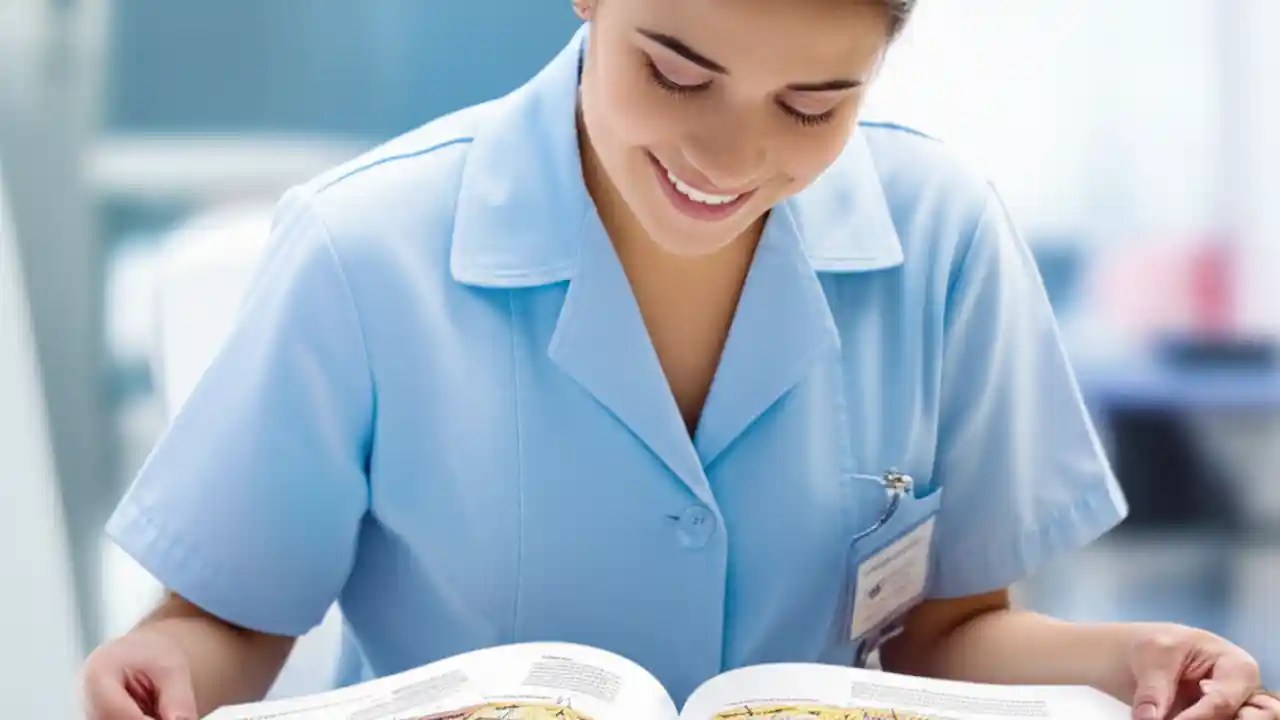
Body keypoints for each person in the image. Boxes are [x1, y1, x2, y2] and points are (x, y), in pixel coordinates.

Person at [81, 2, 1274, 719]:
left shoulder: (943, 234)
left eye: (810, 106)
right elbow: (227, 622)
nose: (729, 152)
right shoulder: (361, 251)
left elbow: (947, 635)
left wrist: (1132, 663)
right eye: (675, 70)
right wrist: (159, 663)